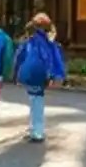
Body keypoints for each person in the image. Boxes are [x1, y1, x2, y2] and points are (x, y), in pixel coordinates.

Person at [14, 12, 67, 143]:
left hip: (29, 74)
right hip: (42, 74)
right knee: (37, 101)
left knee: (34, 101)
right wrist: (57, 75)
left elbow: (19, 57)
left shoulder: (29, 41)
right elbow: (55, 60)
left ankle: (36, 131)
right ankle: (36, 130)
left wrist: (16, 75)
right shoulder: (50, 43)